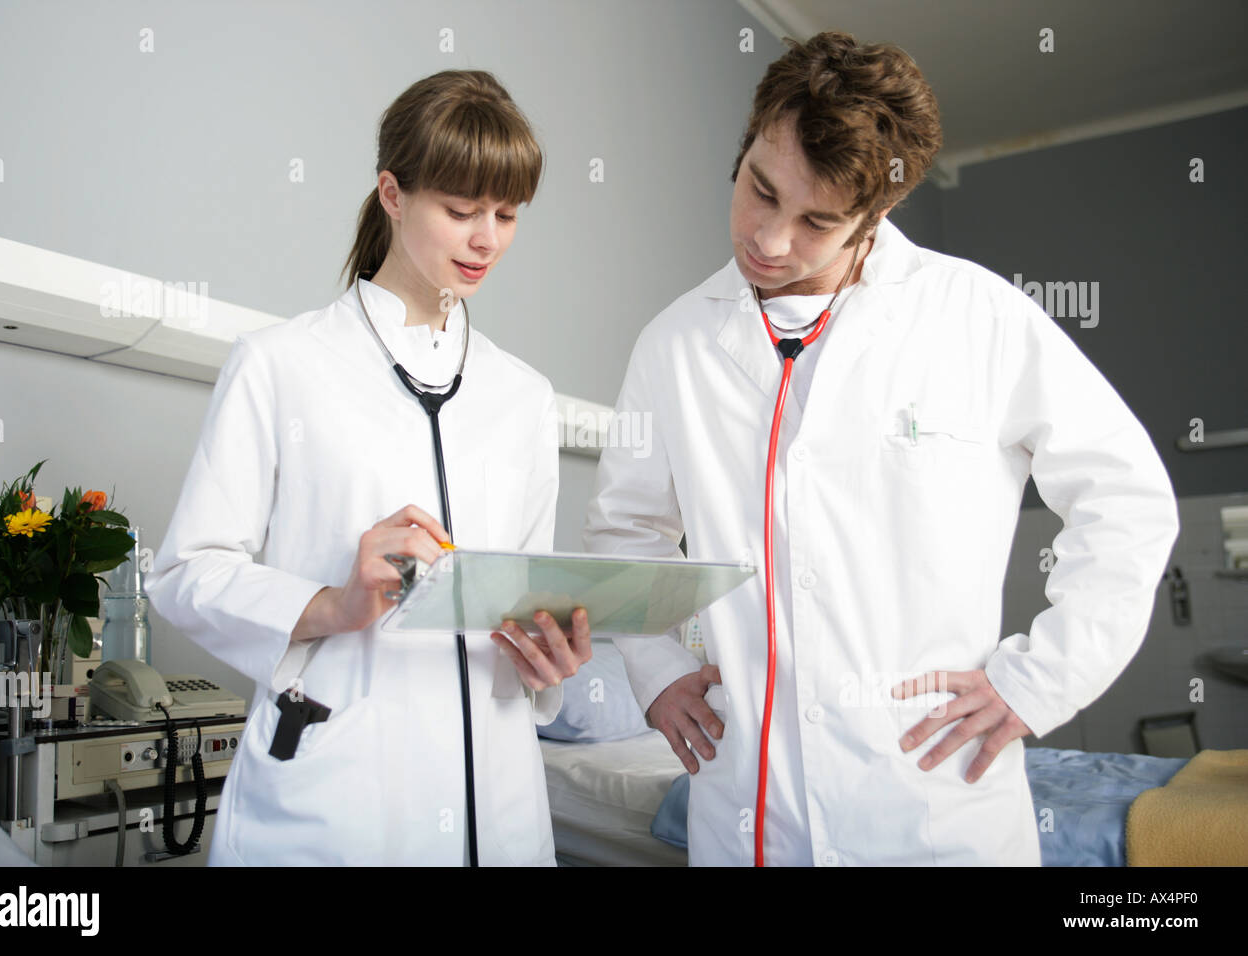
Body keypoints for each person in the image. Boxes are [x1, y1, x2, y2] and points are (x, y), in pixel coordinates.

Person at [583, 32, 1179, 866]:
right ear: (749, 142)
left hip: (933, 811)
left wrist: (1036, 680)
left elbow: (1128, 499)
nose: (771, 240)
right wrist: (654, 671)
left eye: (817, 221)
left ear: (877, 213)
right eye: (760, 189)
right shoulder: (674, 343)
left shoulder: (976, 318)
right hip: (749, 810)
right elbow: (627, 531)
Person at [145, 69, 591, 866]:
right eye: (460, 211)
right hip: (340, 791)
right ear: (392, 193)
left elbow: (516, 599)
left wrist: (543, 659)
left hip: (497, 799)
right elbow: (185, 572)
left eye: (507, 213)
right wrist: (331, 602)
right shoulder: (280, 365)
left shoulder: (523, 398)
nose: (486, 238)